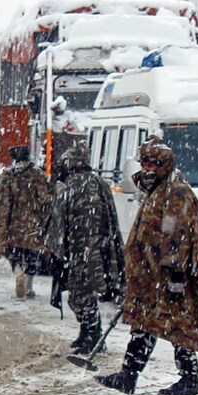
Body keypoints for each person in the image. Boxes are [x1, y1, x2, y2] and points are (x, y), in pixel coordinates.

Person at [96, 139, 198, 395]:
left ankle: (189, 378)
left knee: (178, 325)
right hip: (149, 275)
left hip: (168, 275)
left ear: (165, 165)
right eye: (144, 162)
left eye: (153, 163)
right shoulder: (157, 189)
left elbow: (177, 234)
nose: (147, 168)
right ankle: (129, 375)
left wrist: (175, 273)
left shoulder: (176, 192)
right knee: (144, 322)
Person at [45, 144, 125, 354]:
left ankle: (92, 335)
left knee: (79, 294)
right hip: (100, 248)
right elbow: (110, 217)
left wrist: (54, 248)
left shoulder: (69, 187)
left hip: (80, 250)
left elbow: (57, 224)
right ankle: (89, 333)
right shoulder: (99, 183)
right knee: (87, 292)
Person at [0, 145, 53, 299]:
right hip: (33, 224)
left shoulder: (7, 175)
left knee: (14, 253)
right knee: (32, 255)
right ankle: (28, 286)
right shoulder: (38, 174)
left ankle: (18, 272)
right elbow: (46, 199)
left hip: (12, 224)